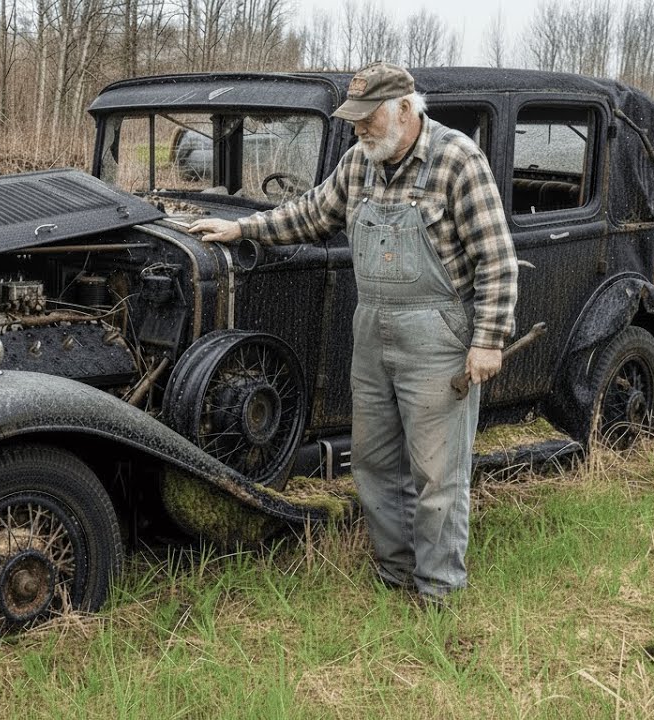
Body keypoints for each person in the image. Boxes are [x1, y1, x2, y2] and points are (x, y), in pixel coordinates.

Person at [188, 61, 518, 607]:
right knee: (374, 463)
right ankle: (394, 573)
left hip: (439, 335)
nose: (360, 129)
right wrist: (243, 227)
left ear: (407, 109)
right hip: (372, 331)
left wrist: (488, 339)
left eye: (369, 119)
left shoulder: (457, 160)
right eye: (356, 120)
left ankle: (437, 590)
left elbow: (498, 260)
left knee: (437, 472)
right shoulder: (358, 163)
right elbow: (311, 214)